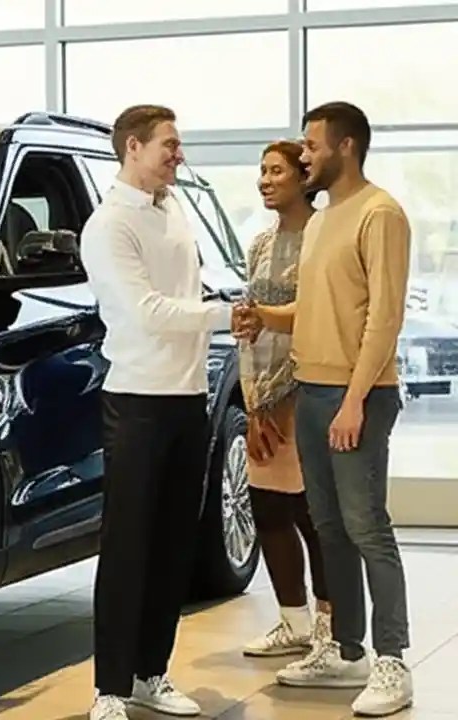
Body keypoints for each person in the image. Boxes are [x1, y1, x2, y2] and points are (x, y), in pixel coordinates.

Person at [235, 101, 413, 717]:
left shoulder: (380, 213)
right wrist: (264, 318)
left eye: (311, 145)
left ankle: (392, 659)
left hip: (355, 395)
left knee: (367, 527)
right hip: (311, 390)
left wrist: (356, 400)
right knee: (329, 525)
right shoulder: (322, 222)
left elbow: (385, 317)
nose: (303, 155)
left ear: (345, 147)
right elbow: (311, 308)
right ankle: (346, 651)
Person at [80, 104, 235, 720]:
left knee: (174, 546)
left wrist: (218, 313)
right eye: (169, 144)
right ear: (134, 148)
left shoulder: (172, 208)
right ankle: (109, 689)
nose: (179, 153)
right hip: (138, 403)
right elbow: (147, 311)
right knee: (128, 549)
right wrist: (229, 316)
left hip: (187, 399)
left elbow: (186, 296)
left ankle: (151, 673)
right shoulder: (109, 225)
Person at [236, 140, 334, 659]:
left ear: (302, 177)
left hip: (307, 391)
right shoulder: (259, 244)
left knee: (310, 512)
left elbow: (319, 311)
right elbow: (252, 324)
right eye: (262, 171)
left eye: (276, 171)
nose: (265, 180)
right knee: (267, 507)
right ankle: (291, 621)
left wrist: (284, 399)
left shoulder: (324, 235)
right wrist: (254, 404)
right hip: (264, 396)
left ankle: (329, 627)